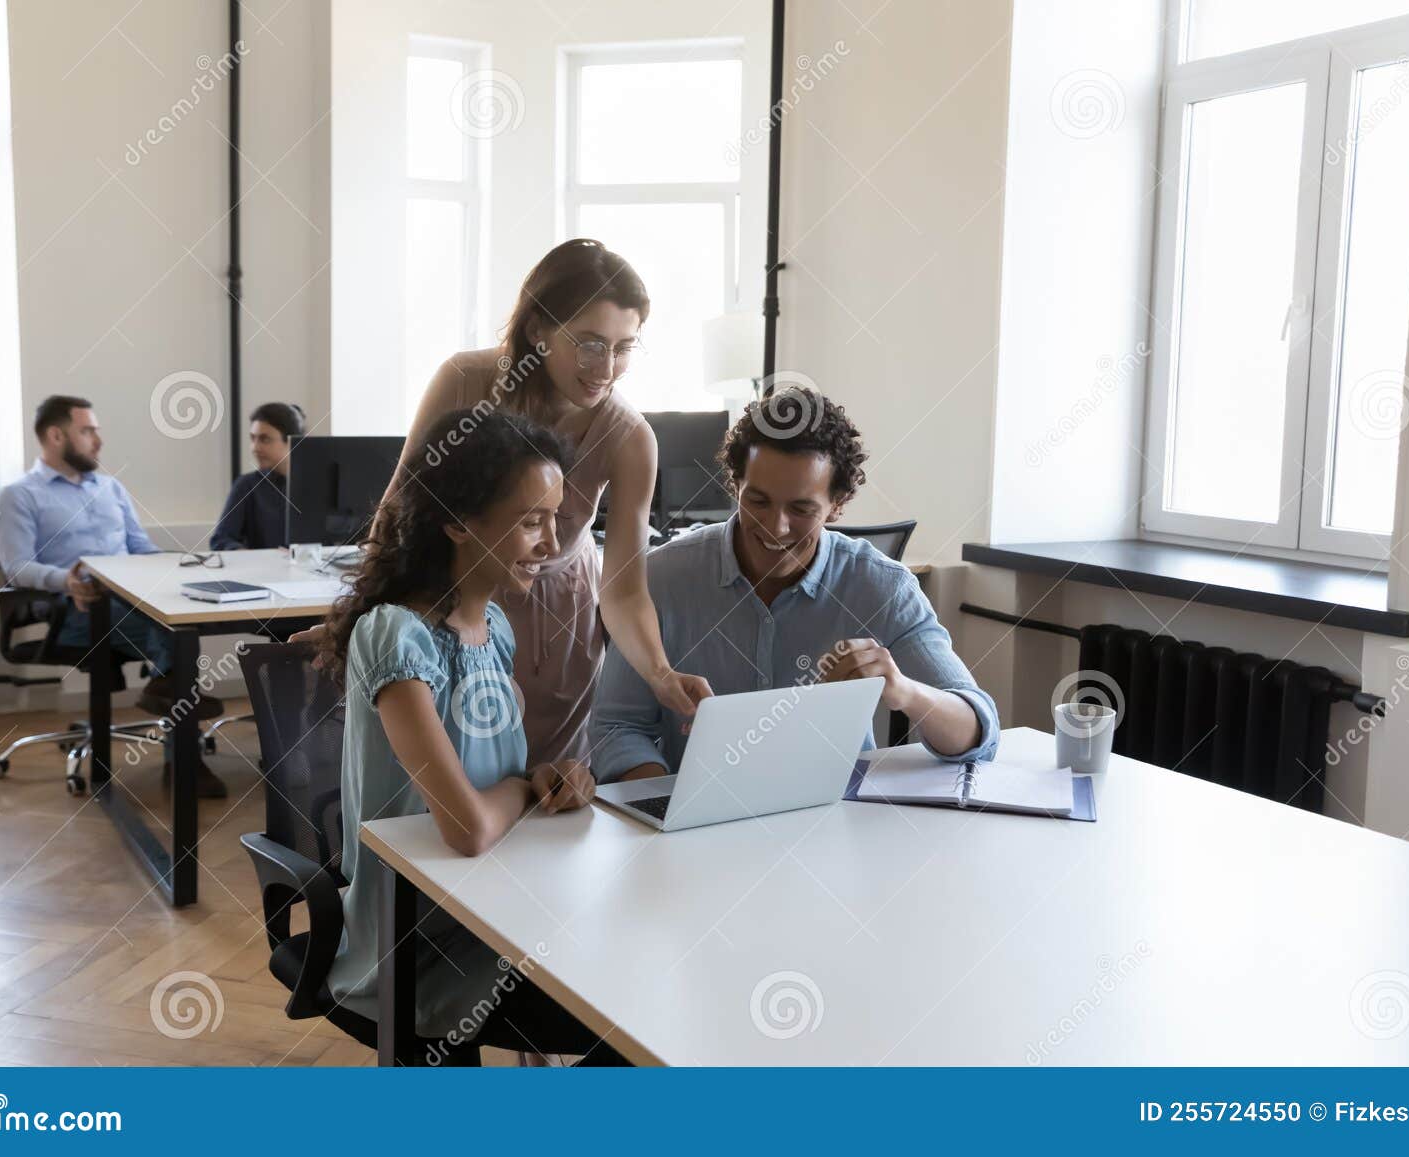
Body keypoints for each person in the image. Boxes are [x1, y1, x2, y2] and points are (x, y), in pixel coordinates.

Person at [320, 408, 622, 1063]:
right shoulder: (396, 634)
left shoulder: (496, 632)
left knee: (639, 979)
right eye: (530, 521)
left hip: (498, 911)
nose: (551, 543)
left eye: (555, 518)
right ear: (457, 520)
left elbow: (492, 793)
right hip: (417, 947)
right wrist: (521, 784)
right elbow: (471, 827)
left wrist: (547, 779)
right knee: (622, 1021)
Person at [357, 238, 714, 766]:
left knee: (539, 788)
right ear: (538, 331)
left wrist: (660, 674)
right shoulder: (464, 382)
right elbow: (399, 511)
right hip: (441, 607)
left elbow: (624, 590)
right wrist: (358, 619)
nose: (606, 367)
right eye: (589, 343)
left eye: (623, 348)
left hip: (554, 630)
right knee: (434, 788)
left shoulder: (630, 438)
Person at [591, 385, 999, 783]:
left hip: (838, 824)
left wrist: (906, 692)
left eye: (801, 508)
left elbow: (979, 730)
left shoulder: (882, 587)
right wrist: (662, 804)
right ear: (735, 485)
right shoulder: (661, 579)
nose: (776, 526)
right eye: (758, 501)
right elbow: (616, 728)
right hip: (694, 829)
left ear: (837, 504)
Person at [0, 395, 229, 798]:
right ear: (55, 434)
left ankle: (169, 690)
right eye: (87, 431)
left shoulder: (110, 487)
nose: (98, 441)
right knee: (170, 630)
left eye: (96, 431)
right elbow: (17, 567)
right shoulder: (18, 495)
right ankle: (182, 747)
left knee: (178, 617)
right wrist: (67, 580)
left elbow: (140, 548)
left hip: (130, 603)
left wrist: (177, 570)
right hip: (74, 609)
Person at [210, 402, 303, 551]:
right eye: (253, 438)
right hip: (262, 572)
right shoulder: (246, 485)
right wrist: (249, 556)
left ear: (291, 442)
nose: (255, 448)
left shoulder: (315, 486)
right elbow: (221, 539)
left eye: (265, 439)